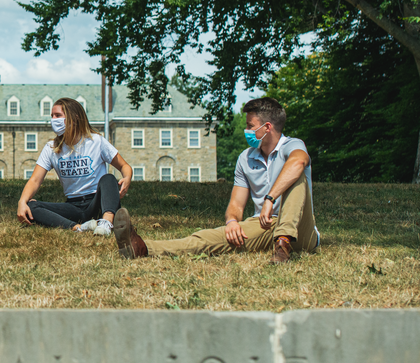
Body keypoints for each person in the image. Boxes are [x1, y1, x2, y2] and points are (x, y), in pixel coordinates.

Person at [114, 97, 320, 264]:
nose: (246, 131)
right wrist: (231, 222)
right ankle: (143, 248)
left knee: (296, 172)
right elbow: (236, 205)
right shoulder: (245, 158)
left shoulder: (292, 145)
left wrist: (270, 199)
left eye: (250, 126)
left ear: (267, 127)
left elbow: (299, 163)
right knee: (211, 237)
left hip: (300, 230)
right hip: (264, 226)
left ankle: (283, 244)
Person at [17, 97, 134, 235]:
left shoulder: (96, 141)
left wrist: (127, 177)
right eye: (52, 116)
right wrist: (22, 202)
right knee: (32, 206)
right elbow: (35, 180)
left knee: (108, 178)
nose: (53, 120)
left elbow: (124, 166)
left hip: (98, 202)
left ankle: (106, 222)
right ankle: (78, 227)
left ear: (74, 118)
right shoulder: (51, 148)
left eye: (58, 115)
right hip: (73, 206)